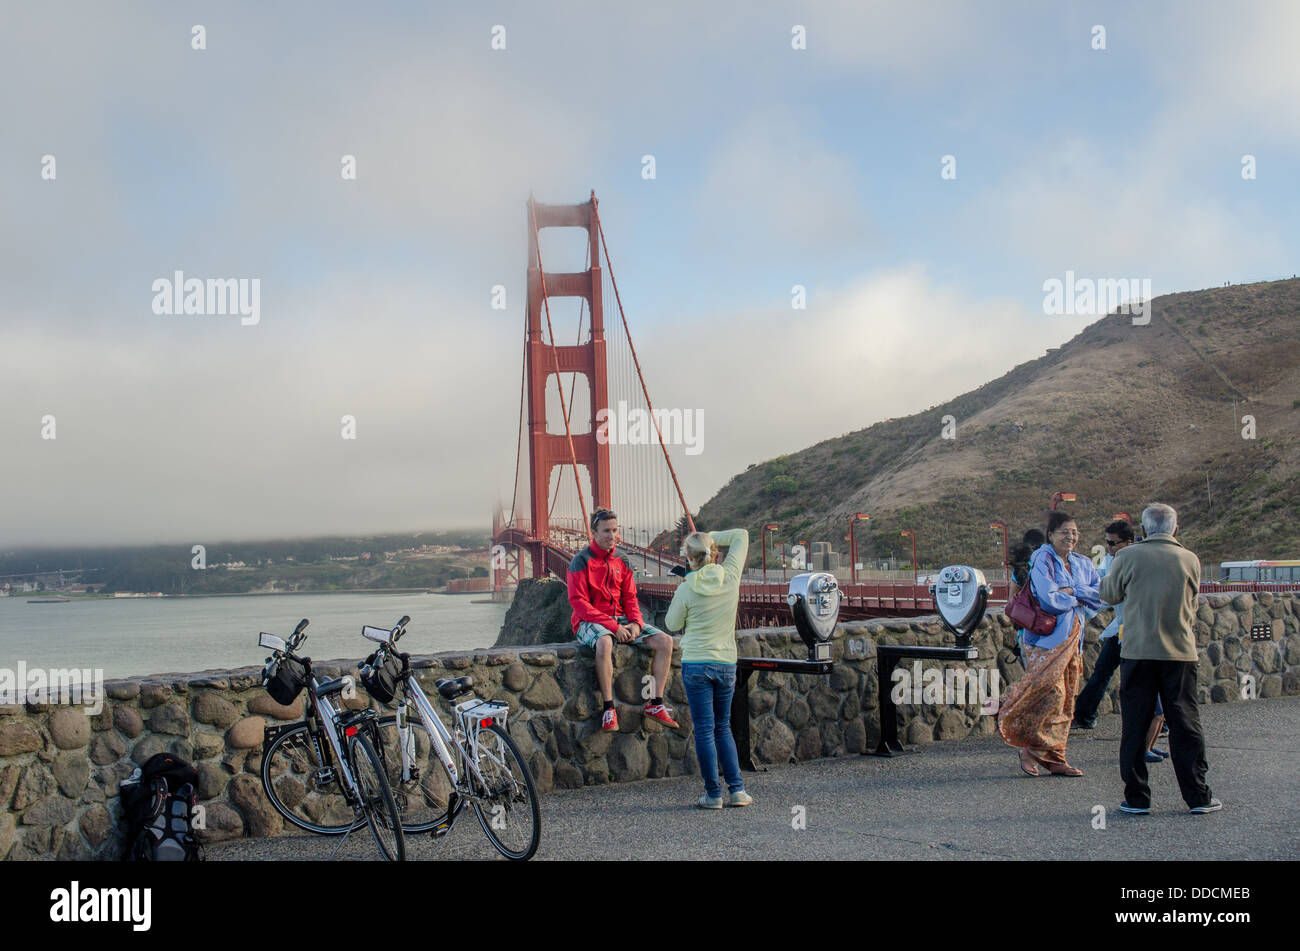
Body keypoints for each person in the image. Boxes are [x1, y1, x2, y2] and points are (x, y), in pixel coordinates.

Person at [1100, 503, 1220, 814]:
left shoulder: (1127, 556)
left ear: (1142, 530)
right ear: (1175, 529)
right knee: (1185, 723)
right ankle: (1198, 796)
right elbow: (1192, 602)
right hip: (1179, 652)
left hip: (1138, 651)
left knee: (1135, 726)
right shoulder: (1189, 559)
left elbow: (1109, 594)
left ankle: (1137, 798)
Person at [997, 511, 1102, 776]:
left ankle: (1055, 756)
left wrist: (1071, 592)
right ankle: (1030, 746)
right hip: (1046, 640)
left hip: (1073, 638)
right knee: (1049, 693)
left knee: (1067, 697)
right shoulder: (1042, 558)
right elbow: (1048, 599)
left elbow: (1101, 595)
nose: (1071, 537)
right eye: (1065, 532)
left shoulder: (1082, 563)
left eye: (1074, 532)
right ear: (1051, 535)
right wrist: (1080, 595)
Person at [567, 509, 679, 732]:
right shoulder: (580, 562)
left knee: (665, 641)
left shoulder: (623, 560)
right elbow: (579, 603)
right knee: (605, 643)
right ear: (594, 532)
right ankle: (609, 709)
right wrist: (613, 627)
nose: (612, 536)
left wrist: (636, 623)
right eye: (606, 531)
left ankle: (656, 704)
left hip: (621, 619)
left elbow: (630, 597)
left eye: (615, 530)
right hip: (587, 620)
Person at [664, 528, 752, 809]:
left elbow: (672, 624)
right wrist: (711, 534)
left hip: (696, 665)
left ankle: (713, 795)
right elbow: (741, 535)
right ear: (714, 553)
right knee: (722, 727)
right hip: (726, 663)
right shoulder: (730, 575)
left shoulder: (687, 587)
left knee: (704, 730)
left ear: (689, 559)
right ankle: (737, 791)